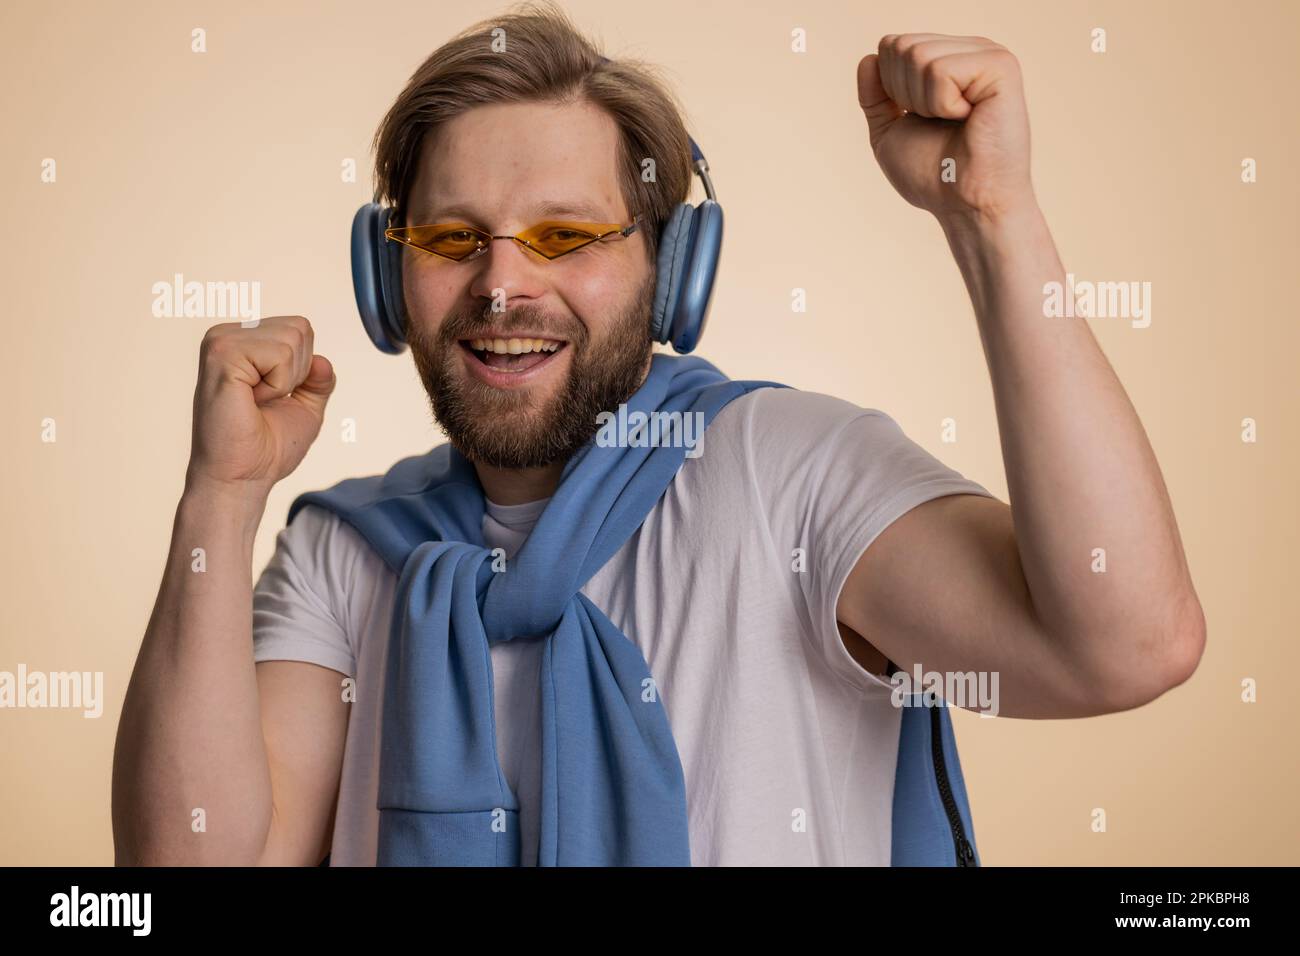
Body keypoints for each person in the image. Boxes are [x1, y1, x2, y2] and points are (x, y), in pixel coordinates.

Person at [112, 3, 1205, 866]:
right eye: (452, 237)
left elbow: (1124, 645)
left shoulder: (790, 474)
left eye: (565, 234)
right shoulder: (346, 551)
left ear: (671, 270)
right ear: (384, 277)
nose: (503, 284)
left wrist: (992, 220)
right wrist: (219, 497)